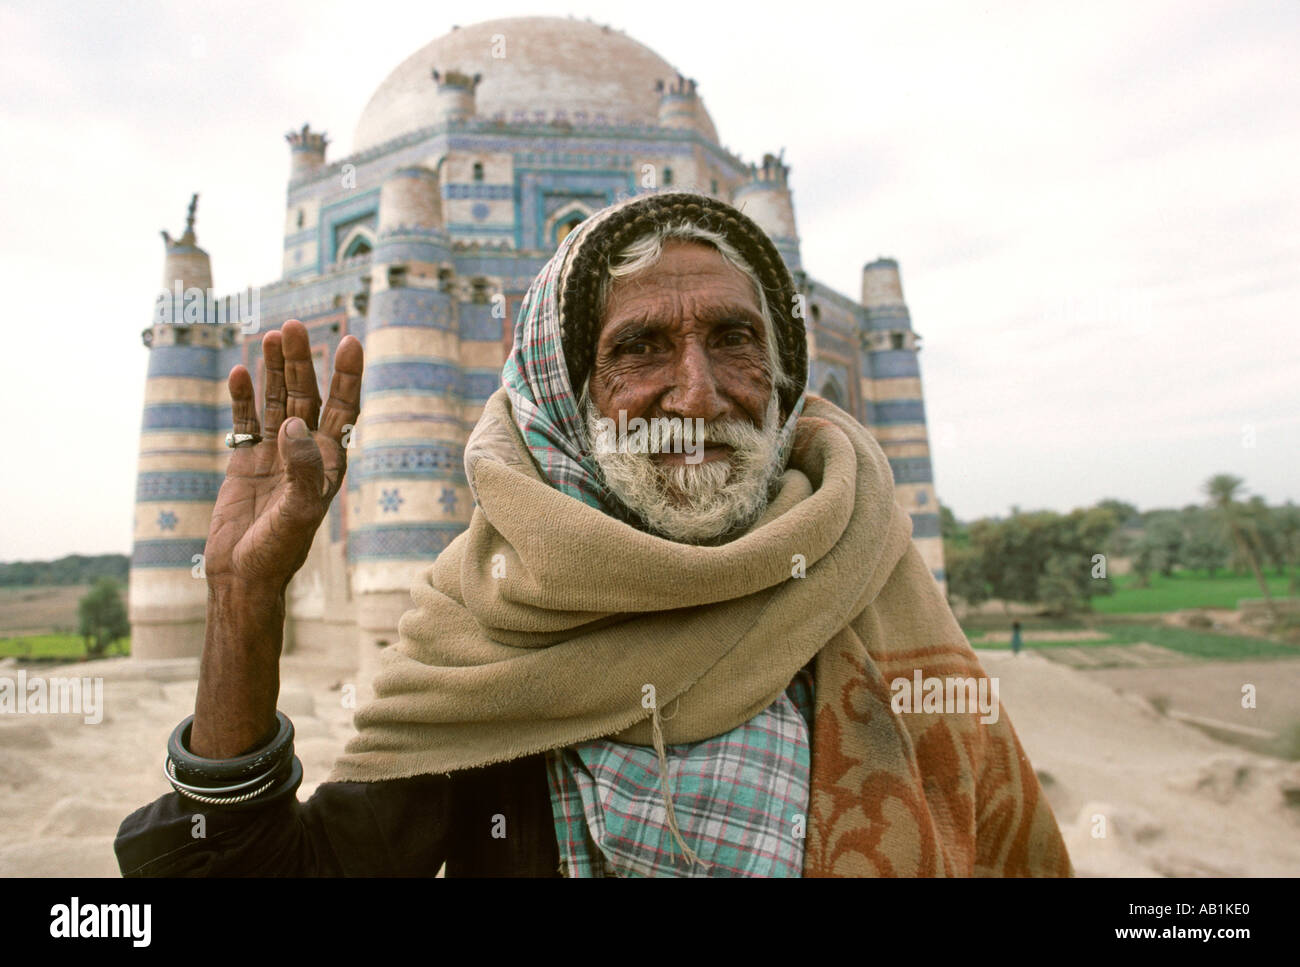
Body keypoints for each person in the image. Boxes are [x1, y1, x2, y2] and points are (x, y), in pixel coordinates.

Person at [115, 191, 1072, 877]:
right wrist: (242, 602)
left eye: (735, 339)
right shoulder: (485, 636)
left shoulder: (866, 569)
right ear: (561, 398)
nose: (696, 393)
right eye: (639, 347)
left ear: (784, 374)